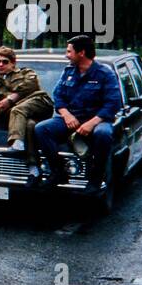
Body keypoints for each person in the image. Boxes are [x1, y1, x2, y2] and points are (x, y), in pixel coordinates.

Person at [34, 34, 122, 193]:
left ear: (81, 53)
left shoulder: (105, 74)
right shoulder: (69, 71)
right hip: (72, 118)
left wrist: (91, 123)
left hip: (97, 120)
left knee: (103, 134)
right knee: (41, 129)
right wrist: (66, 115)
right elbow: (58, 96)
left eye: (69, 52)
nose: (66, 55)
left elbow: (113, 103)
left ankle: (96, 178)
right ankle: (58, 171)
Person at [0, 45, 54, 179]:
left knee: (18, 109)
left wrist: (11, 98)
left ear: (13, 63)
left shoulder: (26, 72)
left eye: (5, 61)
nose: (0, 64)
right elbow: (0, 103)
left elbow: (31, 86)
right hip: (19, 115)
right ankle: (34, 169)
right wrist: (16, 96)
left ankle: (17, 142)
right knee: (29, 125)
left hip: (40, 105)